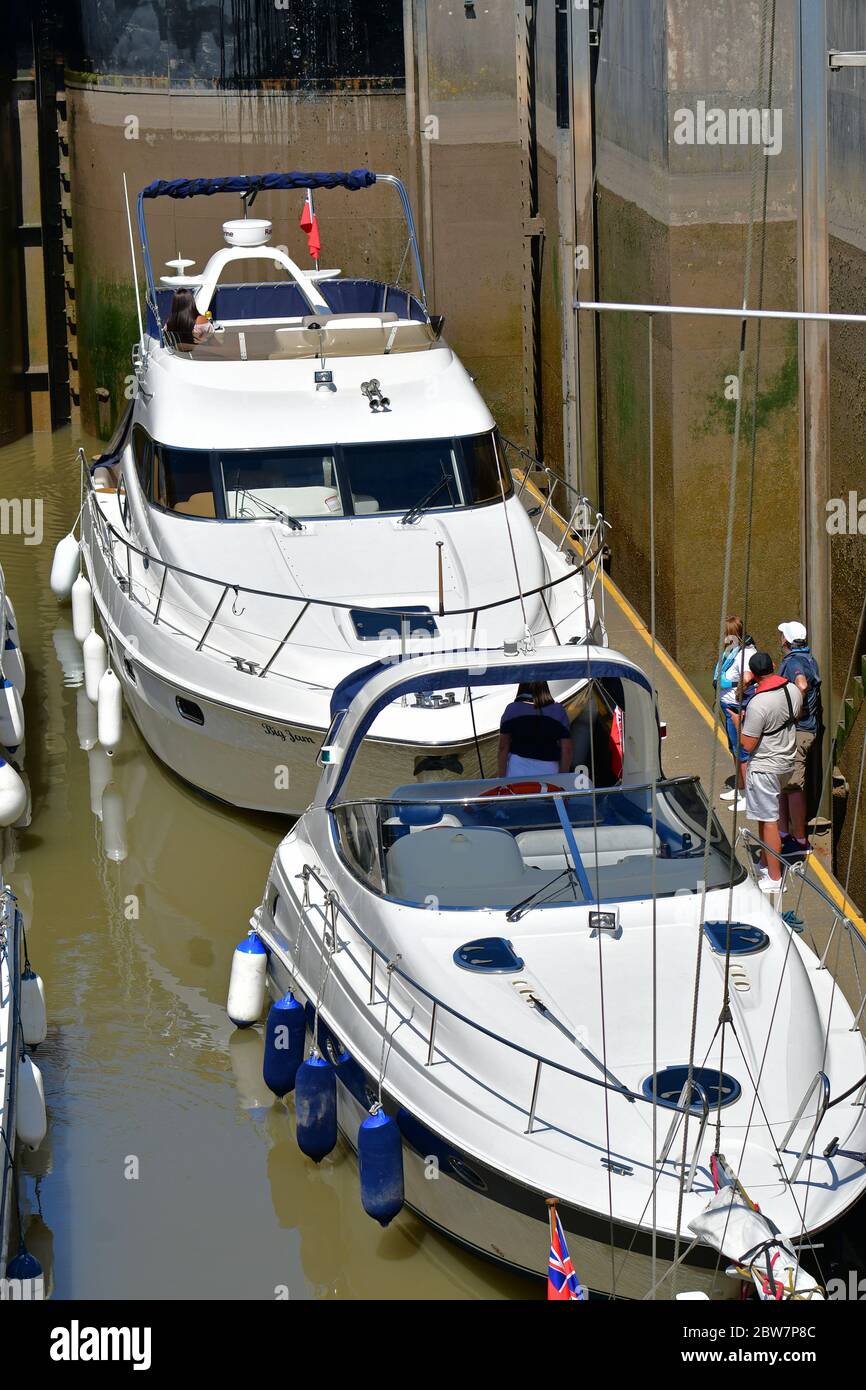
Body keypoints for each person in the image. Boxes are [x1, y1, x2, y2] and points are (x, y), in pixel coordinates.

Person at [739, 651, 803, 889]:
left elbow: (747, 744)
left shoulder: (758, 703)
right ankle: (765, 862)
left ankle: (775, 878)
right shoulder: (793, 690)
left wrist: (740, 722)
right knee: (763, 816)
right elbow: (795, 715)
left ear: (753, 675)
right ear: (774, 666)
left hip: (765, 766)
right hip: (786, 762)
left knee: (769, 821)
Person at [776, 620, 822, 863]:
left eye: (782, 634)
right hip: (805, 729)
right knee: (785, 783)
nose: (779, 637)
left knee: (793, 786)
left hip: (799, 730)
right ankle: (784, 832)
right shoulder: (808, 657)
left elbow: (801, 685)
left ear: (787, 639)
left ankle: (800, 840)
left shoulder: (794, 661)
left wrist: (793, 711)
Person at [713, 616, 757, 801]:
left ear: (733, 634)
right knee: (734, 748)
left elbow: (749, 678)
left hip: (737, 707)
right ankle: (739, 788)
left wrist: (735, 688)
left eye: (726, 634)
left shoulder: (747, 654)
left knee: (742, 751)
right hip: (727, 705)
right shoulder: (731, 652)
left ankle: (748, 795)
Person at [497, 681, 573, 779]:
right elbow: (567, 750)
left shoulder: (512, 710)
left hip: (517, 769)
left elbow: (503, 748)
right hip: (549, 770)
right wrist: (563, 778)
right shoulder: (558, 710)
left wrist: (502, 779)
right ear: (545, 688)